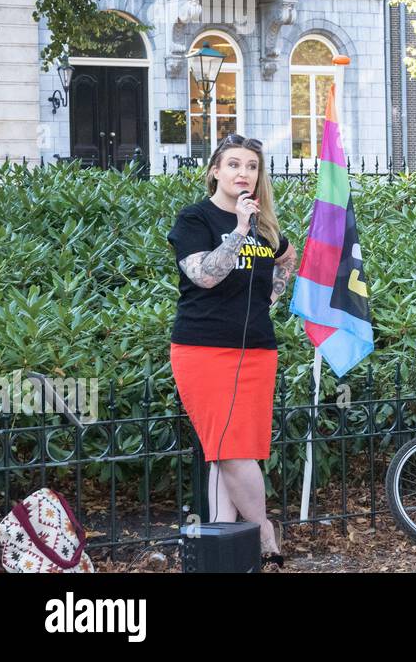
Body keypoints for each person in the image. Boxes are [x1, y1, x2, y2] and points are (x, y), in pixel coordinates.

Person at [167, 134, 298, 568]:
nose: (245, 174)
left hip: (256, 350)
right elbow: (204, 276)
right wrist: (239, 231)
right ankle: (264, 532)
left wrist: (274, 286)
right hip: (203, 349)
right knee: (230, 447)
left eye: (253, 167)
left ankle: (223, 546)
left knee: (230, 450)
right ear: (215, 172)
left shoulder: (267, 228)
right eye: (235, 165)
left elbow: (283, 264)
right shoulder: (195, 219)